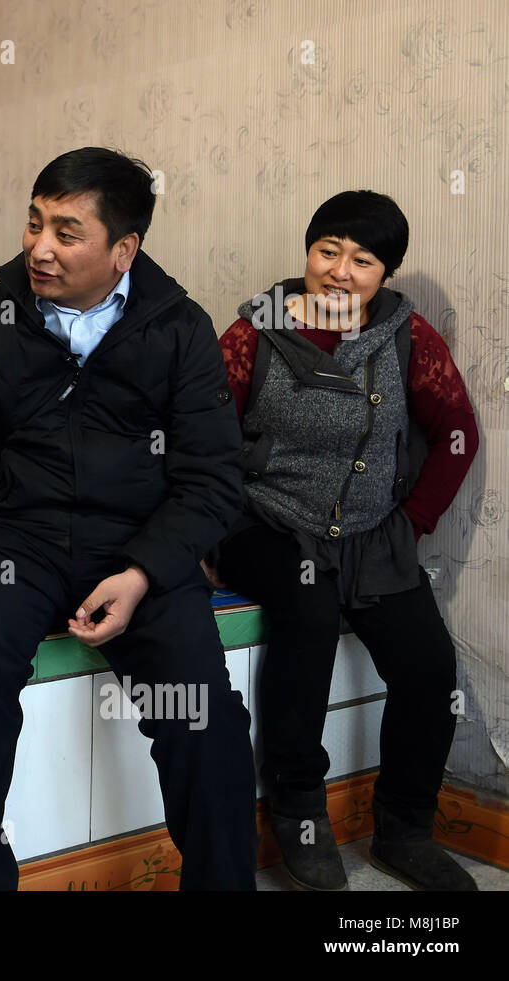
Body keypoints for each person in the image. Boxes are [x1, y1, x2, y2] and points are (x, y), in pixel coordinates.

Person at [0, 147, 257, 890]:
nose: (39, 248)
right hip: (19, 542)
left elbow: (212, 479)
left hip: (140, 549)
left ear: (124, 249)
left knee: (206, 717)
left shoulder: (179, 329)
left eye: (67, 231)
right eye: (34, 222)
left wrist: (144, 573)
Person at [214, 190, 479, 891]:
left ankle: (405, 829)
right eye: (327, 250)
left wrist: (411, 523)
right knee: (304, 614)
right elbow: (201, 438)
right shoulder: (254, 334)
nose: (339, 270)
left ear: (385, 273)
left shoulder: (409, 338)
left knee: (428, 667)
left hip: (370, 532)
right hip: (264, 521)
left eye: (362, 259)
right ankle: (299, 812)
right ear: (308, 251)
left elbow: (457, 435)